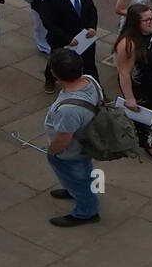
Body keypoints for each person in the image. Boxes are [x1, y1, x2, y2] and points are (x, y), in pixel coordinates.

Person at [41, 48, 106, 226]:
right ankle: (73, 188)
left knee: (79, 180)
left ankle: (87, 212)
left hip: (71, 153)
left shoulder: (69, 110)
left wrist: (52, 152)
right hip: (86, 145)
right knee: (82, 173)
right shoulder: (90, 80)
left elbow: (63, 138)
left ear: (54, 74)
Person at [111, 0, 152, 164]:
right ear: (135, 22)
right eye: (146, 20)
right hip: (143, 91)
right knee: (147, 120)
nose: (151, 22)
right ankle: (151, 145)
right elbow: (123, 73)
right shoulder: (128, 43)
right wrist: (130, 98)